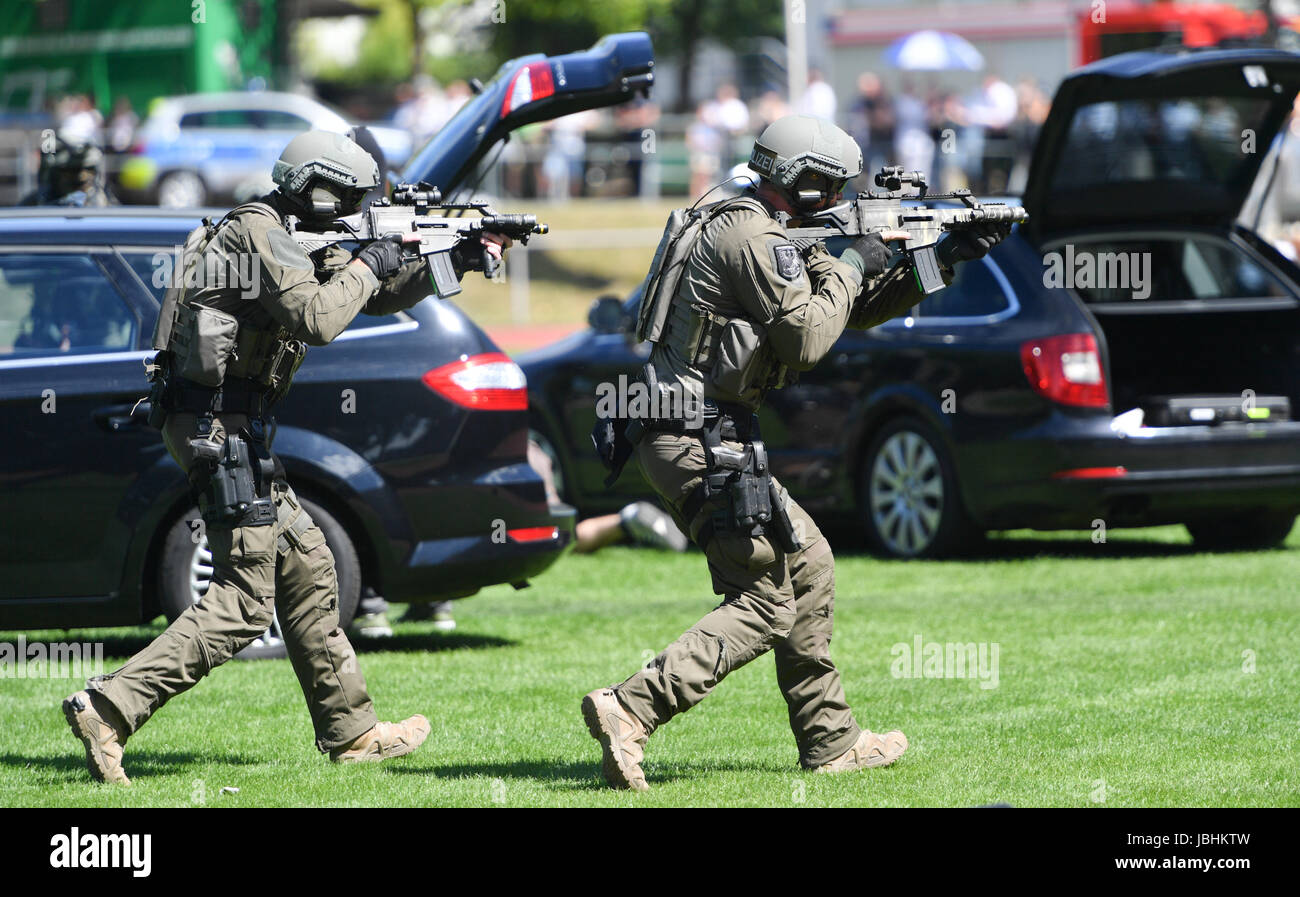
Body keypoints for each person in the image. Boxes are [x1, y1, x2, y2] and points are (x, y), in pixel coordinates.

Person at [62, 130, 511, 785]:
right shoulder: (260, 235)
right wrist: (372, 257)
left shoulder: (284, 231)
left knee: (307, 564)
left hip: (235, 427)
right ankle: (110, 706)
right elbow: (318, 318)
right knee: (246, 602)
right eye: (351, 200)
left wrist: (458, 256)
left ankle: (352, 732)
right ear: (321, 190)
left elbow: (374, 294)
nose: (357, 212)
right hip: (221, 430)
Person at [581, 115, 1011, 790]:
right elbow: (807, 339)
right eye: (832, 186)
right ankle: (631, 707)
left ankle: (830, 740)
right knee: (763, 600)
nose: (840, 197)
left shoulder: (756, 218)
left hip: (703, 431)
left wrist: (941, 259)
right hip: (698, 436)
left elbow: (850, 311)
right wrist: (854, 257)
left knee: (808, 564)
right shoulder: (750, 234)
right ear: (804, 182)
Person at [19, 131, 116, 208]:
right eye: (69, 172)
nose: (81, 177)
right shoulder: (33, 205)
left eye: (88, 170)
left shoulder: (104, 205)